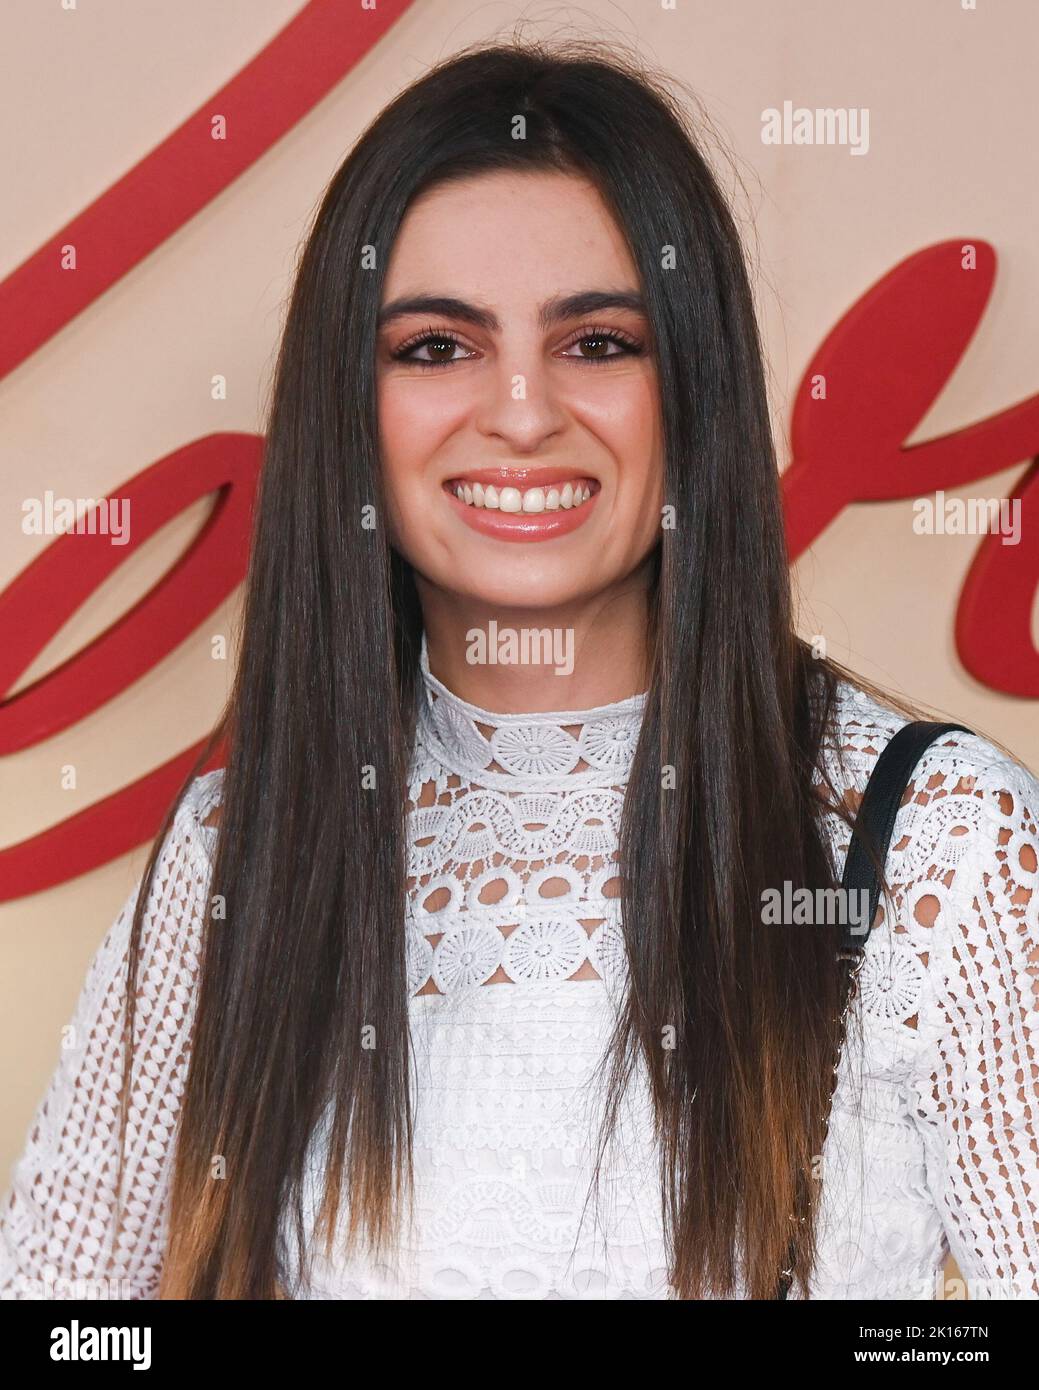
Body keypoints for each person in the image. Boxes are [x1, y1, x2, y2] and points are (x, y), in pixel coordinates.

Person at [2, 38, 1037, 1301]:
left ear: (692, 389)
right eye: (436, 347)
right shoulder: (238, 859)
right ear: (352, 415)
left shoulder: (937, 841)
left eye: (597, 341)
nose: (523, 409)